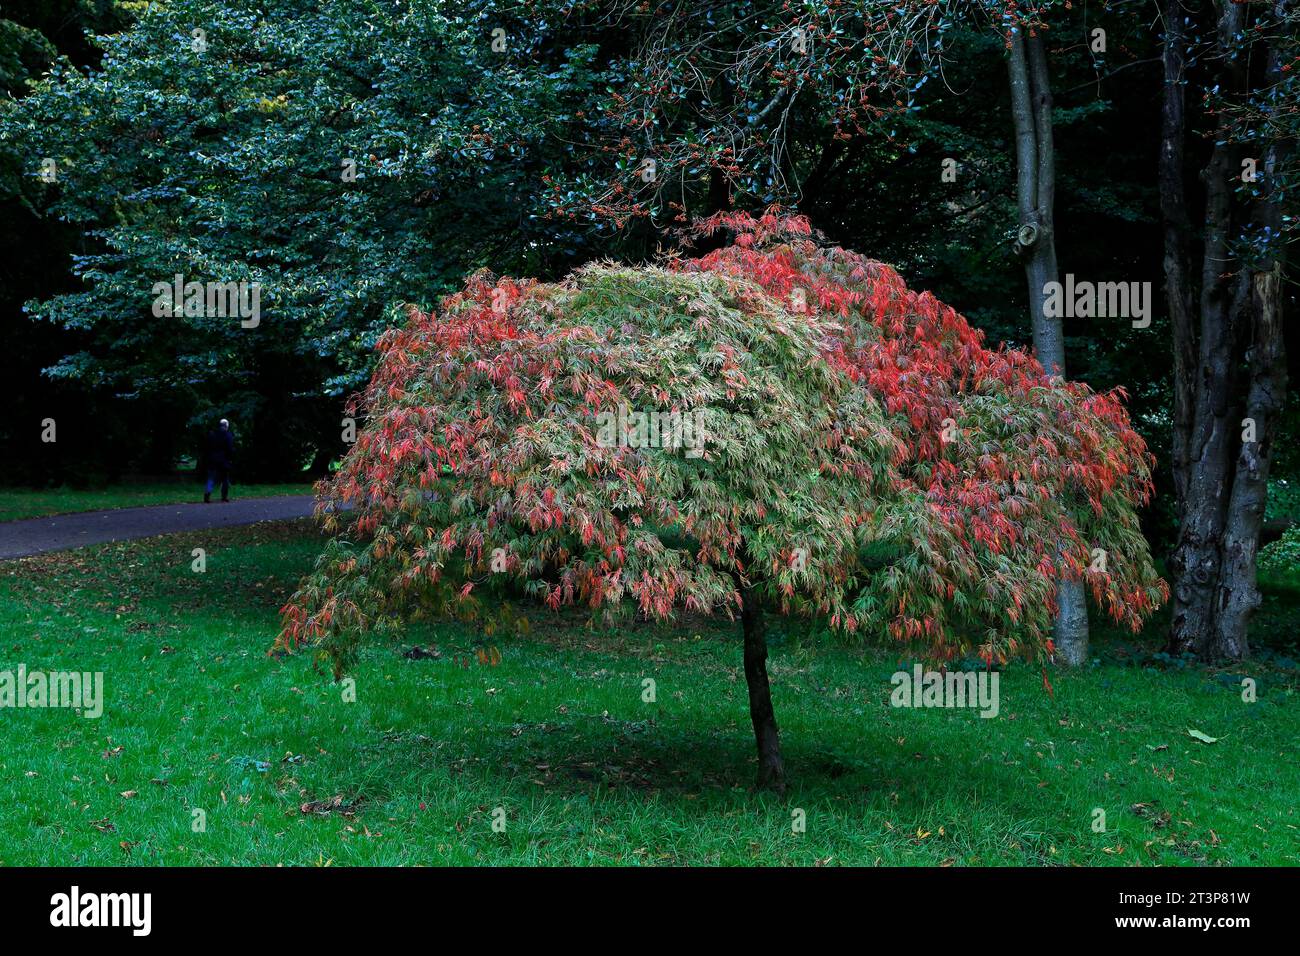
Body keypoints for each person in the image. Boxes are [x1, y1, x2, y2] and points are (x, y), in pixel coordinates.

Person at [204, 419, 234, 503]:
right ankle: (224, 497)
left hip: (212, 459)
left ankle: (207, 496)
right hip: (224, 460)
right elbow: (230, 449)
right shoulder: (228, 435)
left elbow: (207, 447)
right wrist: (230, 459)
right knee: (225, 478)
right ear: (226, 426)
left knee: (211, 478)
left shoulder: (212, 434)